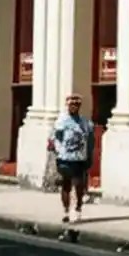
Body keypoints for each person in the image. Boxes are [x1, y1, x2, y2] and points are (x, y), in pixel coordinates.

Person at [48, 94, 95, 224]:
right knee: (66, 185)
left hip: (79, 158)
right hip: (64, 158)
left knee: (79, 185)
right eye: (71, 104)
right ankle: (66, 211)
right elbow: (52, 139)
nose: (73, 107)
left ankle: (78, 208)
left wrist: (90, 156)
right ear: (67, 106)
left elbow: (90, 140)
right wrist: (55, 153)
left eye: (76, 105)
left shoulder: (85, 123)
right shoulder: (61, 122)